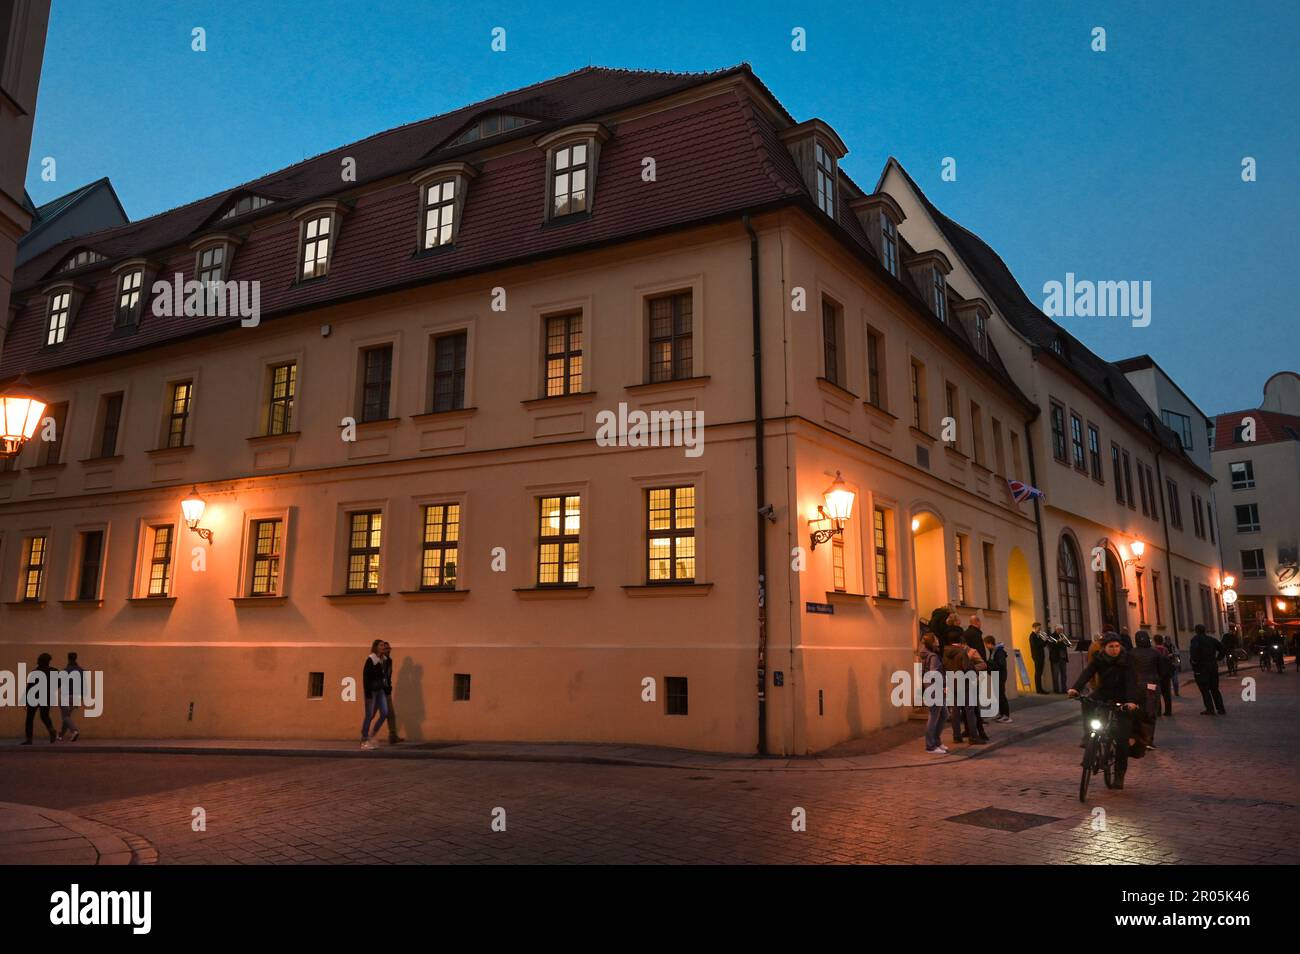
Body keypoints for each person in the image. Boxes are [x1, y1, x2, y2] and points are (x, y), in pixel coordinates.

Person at [1067, 633, 1142, 789]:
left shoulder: (1127, 660)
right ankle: (1089, 735)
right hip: (1105, 692)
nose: (1115, 650)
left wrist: (1131, 701)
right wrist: (1075, 688)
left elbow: (1131, 682)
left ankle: (1119, 775)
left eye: (1117, 646)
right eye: (1111, 647)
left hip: (1123, 696)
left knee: (1122, 738)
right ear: (1104, 648)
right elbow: (1087, 673)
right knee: (1087, 702)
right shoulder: (1099, 658)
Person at [943, 631, 985, 745]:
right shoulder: (962, 653)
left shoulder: (945, 653)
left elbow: (944, 668)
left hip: (952, 684)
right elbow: (967, 668)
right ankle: (973, 737)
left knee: (955, 711)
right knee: (969, 710)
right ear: (960, 640)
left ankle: (956, 736)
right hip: (964, 685)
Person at [1129, 632, 1169, 749]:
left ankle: (1137, 739)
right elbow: (1162, 669)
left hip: (1136, 685)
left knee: (1136, 712)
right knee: (1150, 712)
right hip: (1152, 684)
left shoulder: (1131, 653)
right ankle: (1148, 740)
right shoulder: (1155, 652)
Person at [919, 634, 948, 754]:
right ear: (932, 642)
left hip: (930, 689)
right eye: (936, 640)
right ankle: (930, 746)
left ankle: (936, 741)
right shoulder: (933, 656)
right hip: (935, 690)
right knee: (934, 717)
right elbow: (933, 673)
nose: (938, 641)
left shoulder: (927, 655)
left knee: (944, 714)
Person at [1189, 624, 1226, 715]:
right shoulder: (1211, 639)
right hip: (1212, 666)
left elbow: (1194, 652)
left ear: (1196, 631)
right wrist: (1218, 658)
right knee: (1214, 689)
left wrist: (1194, 662)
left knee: (1204, 689)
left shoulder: (1195, 640)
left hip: (1201, 668)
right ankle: (1220, 708)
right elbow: (1222, 648)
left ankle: (1210, 708)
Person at [963, 615, 990, 738]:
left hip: (965, 671)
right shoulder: (976, 635)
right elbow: (980, 653)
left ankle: (969, 728)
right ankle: (977, 730)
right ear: (977, 622)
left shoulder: (966, 633)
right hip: (974, 670)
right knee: (974, 701)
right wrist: (983, 666)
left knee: (967, 703)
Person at [22, 653, 57, 745]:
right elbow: (59, 684)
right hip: (46, 696)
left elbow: (29, 687)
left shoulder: (35, 672)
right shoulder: (54, 671)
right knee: (44, 716)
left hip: (34, 696)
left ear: (40, 661)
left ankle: (29, 739)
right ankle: (51, 729)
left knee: (30, 718)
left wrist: (25, 700)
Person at [361, 640, 390, 748]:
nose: (383, 647)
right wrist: (367, 692)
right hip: (371, 690)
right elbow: (366, 676)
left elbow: (384, 676)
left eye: (384, 645)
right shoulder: (371, 659)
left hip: (380, 690)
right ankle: (364, 739)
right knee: (369, 715)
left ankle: (372, 735)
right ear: (376, 647)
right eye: (381, 645)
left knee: (384, 712)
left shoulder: (384, 660)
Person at [57, 652, 84, 742]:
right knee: (67, 716)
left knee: (65, 717)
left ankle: (74, 731)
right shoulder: (81, 671)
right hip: (76, 696)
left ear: (68, 658)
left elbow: (58, 684)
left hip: (66, 695)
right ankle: (61, 735)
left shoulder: (64, 671)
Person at [984, 634, 1012, 723]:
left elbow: (1001, 664)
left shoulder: (998, 651)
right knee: (998, 696)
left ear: (989, 643)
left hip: (1000, 675)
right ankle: (1001, 714)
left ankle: (1006, 716)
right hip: (996, 675)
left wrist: (990, 664)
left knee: (1001, 695)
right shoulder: (993, 651)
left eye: (986, 644)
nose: (985, 646)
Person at [380, 641, 404, 744]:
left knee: (390, 713)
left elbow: (388, 676)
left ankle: (392, 735)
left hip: (386, 690)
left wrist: (388, 687)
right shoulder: (380, 661)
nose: (388, 650)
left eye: (389, 648)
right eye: (386, 649)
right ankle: (365, 736)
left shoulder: (389, 660)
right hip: (380, 690)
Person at [1153, 633, 1175, 716]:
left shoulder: (1153, 649)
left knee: (1157, 693)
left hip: (1157, 674)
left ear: (1155, 641)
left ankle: (1158, 711)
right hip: (1166, 674)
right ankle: (1168, 711)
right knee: (1166, 693)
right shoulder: (1165, 649)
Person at [1048, 625, 1070, 693]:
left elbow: (1068, 645)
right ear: (1056, 630)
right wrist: (1058, 641)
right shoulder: (1052, 636)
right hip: (1055, 658)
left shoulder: (1063, 636)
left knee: (1064, 674)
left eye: (1062, 630)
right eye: (1060, 630)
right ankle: (1056, 690)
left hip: (1063, 658)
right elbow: (1051, 646)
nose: (1061, 631)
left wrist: (1066, 641)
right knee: (1056, 674)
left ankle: (1064, 689)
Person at [1029, 622, 1048, 694]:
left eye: (1040, 628)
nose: (1040, 630)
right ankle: (1038, 689)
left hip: (1041, 656)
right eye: (1039, 628)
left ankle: (1040, 688)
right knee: (1038, 673)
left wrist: (1046, 640)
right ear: (1034, 627)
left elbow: (1042, 645)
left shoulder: (1038, 635)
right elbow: (1036, 646)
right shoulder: (1032, 636)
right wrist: (1044, 641)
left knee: (1040, 673)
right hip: (1036, 656)